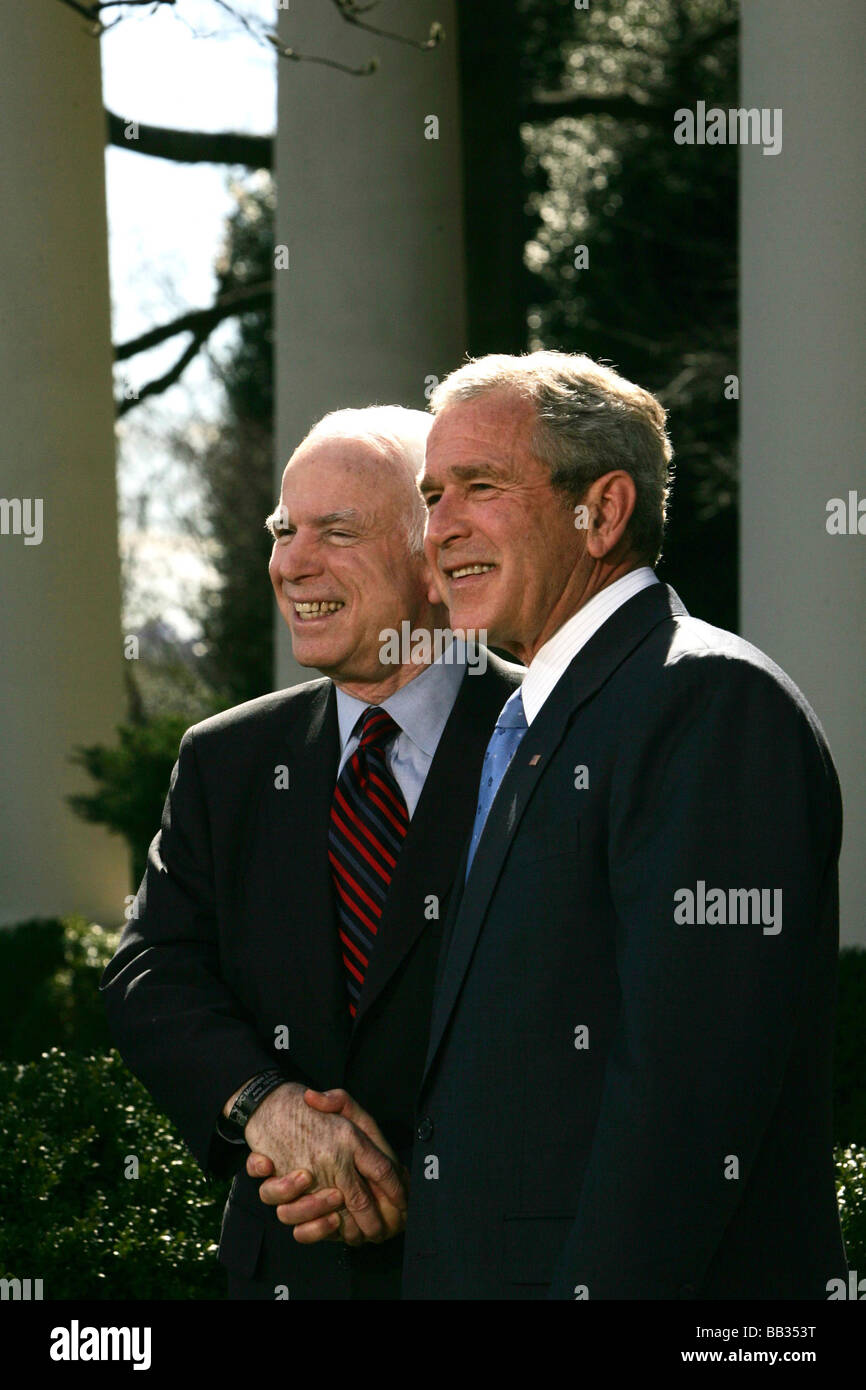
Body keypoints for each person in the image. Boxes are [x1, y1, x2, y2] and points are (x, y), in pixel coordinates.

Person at [398, 350, 847, 1299]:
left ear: (601, 511)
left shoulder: (708, 701)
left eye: (480, 486)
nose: (439, 530)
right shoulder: (532, 723)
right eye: (433, 496)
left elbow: (688, 1103)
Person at [100, 405, 521, 1300]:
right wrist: (267, 1107)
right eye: (285, 529)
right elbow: (150, 973)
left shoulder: (546, 736)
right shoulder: (226, 760)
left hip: (497, 1267)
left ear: (435, 559)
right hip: (287, 1269)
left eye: (338, 531)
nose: (292, 563)